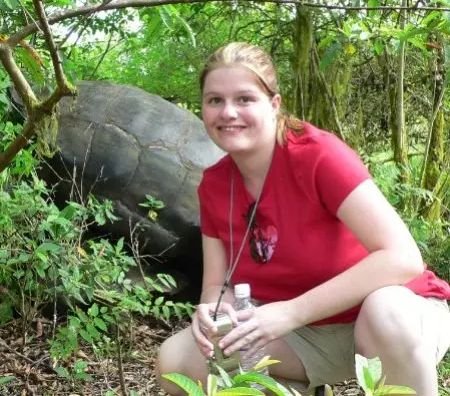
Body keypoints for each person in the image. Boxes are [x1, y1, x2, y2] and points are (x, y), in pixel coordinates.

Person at [157, 42, 450, 396]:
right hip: (303, 336)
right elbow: (218, 286)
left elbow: (403, 258)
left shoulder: (317, 156)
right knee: (177, 359)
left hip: (389, 320)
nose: (228, 112)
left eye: (244, 99)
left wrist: (290, 312)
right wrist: (210, 310)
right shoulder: (215, 185)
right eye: (215, 100)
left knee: (385, 310)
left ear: (274, 104)